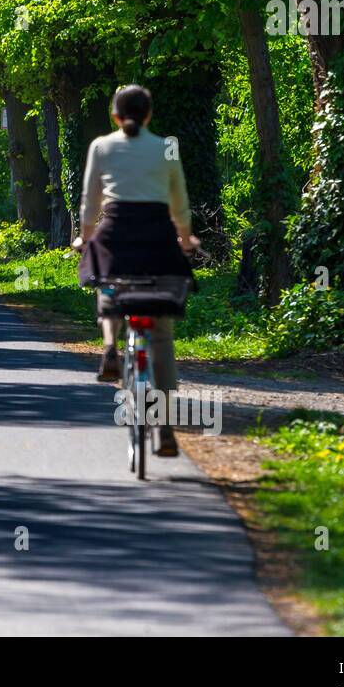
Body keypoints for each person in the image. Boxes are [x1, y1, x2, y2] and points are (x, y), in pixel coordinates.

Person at [74, 85, 200, 458]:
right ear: (149, 115)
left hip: (115, 233)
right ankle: (164, 429)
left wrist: (85, 238)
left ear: (115, 115)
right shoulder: (168, 147)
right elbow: (179, 203)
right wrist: (186, 238)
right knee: (161, 336)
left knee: (105, 277)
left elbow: (90, 200)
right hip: (158, 238)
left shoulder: (101, 146)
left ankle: (110, 347)